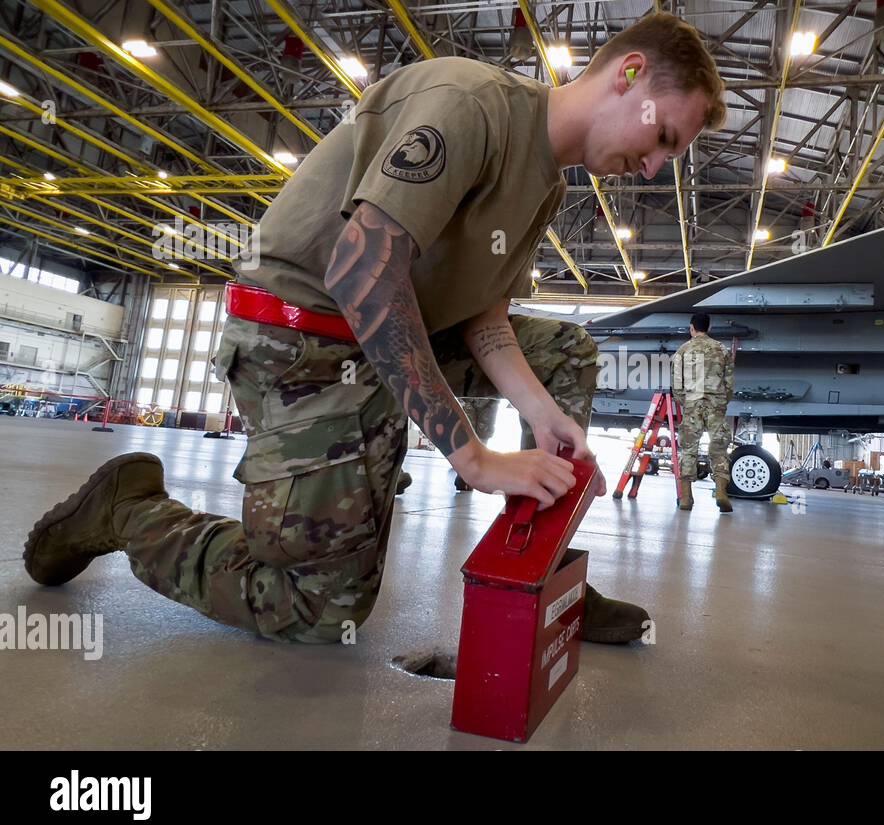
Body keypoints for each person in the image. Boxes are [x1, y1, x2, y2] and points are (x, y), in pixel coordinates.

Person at [23, 13, 727, 645]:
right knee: (319, 608)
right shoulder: (471, 104)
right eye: (663, 135)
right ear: (628, 73)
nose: (659, 167)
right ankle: (131, 511)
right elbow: (364, 274)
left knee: (564, 350)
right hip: (299, 345)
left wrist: (543, 418)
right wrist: (473, 456)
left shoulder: (547, 186)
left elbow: (487, 323)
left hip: (386, 337)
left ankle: (535, 570)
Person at [671, 312, 734, 513]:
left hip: (692, 404)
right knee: (719, 449)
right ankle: (722, 492)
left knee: (688, 450)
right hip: (716, 405)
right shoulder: (722, 349)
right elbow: (729, 383)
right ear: (709, 327)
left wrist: (685, 403)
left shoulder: (683, 350)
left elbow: (676, 386)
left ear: (692, 328)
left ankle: (687, 499)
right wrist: (721, 403)